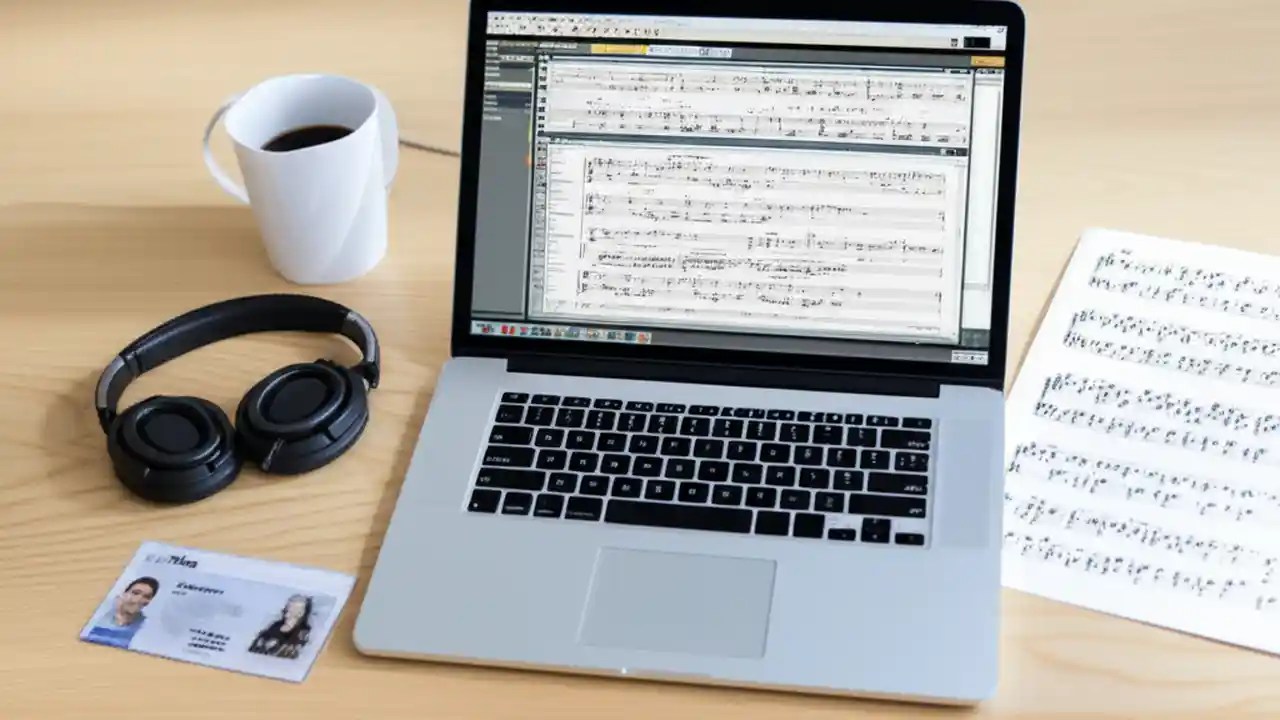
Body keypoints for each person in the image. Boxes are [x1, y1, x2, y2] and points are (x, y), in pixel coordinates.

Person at [84, 576, 159, 649]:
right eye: (135, 593)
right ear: (124, 593)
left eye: (147, 597)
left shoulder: (144, 625)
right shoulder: (100, 612)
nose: (139, 599)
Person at [248, 594, 312, 659]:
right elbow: (256, 644)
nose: (287, 614)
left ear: (301, 613)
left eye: (293, 610)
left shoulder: (303, 632)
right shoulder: (276, 625)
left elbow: (294, 654)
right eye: (287, 609)